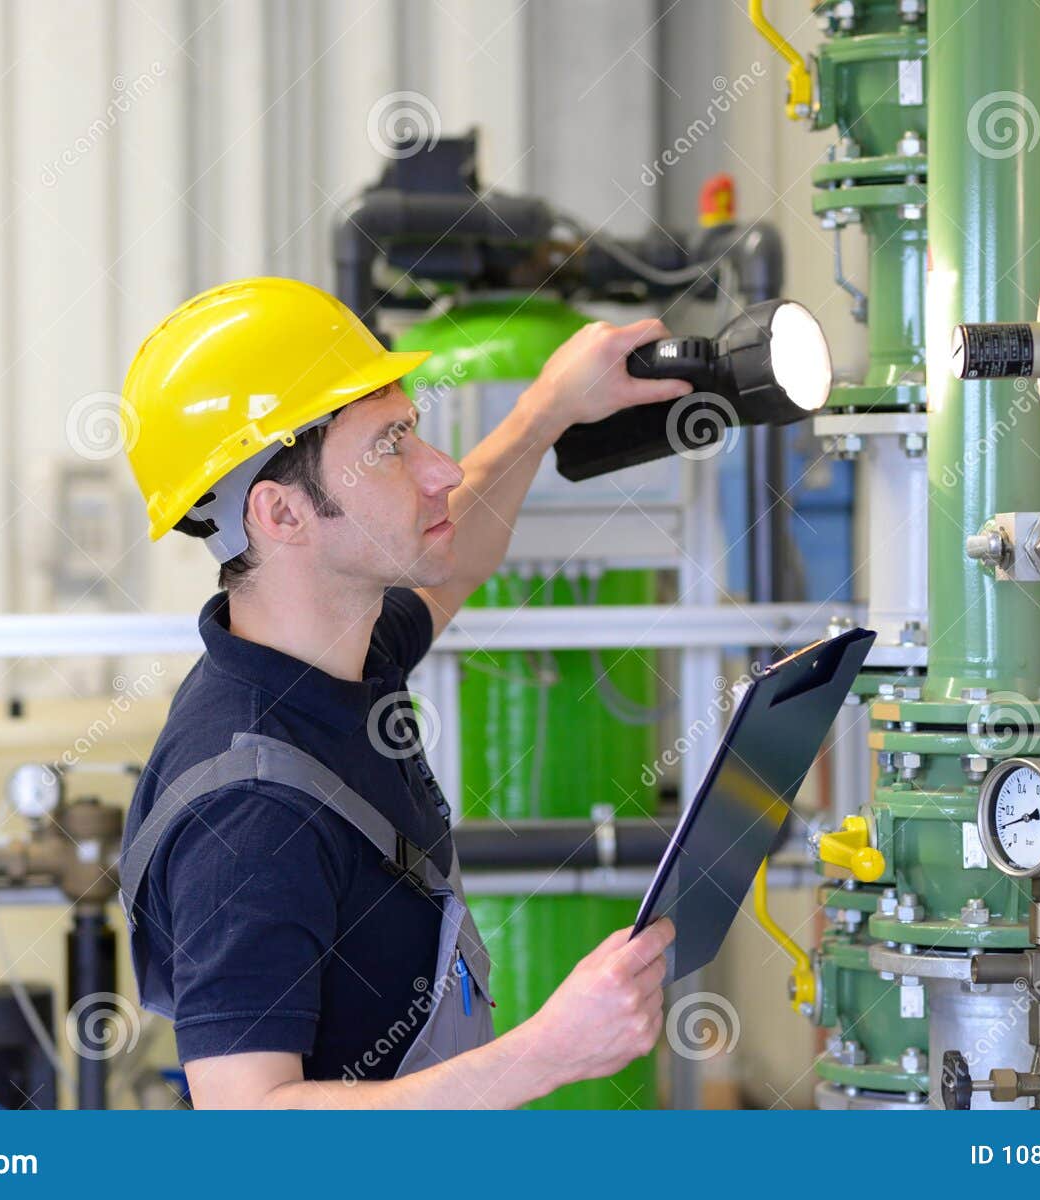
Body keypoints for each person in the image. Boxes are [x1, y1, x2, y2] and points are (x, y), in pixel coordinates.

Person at [117, 277, 689, 1108]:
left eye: (413, 430)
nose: (440, 470)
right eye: (389, 446)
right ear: (281, 514)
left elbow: (456, 559)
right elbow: (249, 1124)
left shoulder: (335, 664)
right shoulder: (246, 809)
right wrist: (550, 1051)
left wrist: (548, 410)